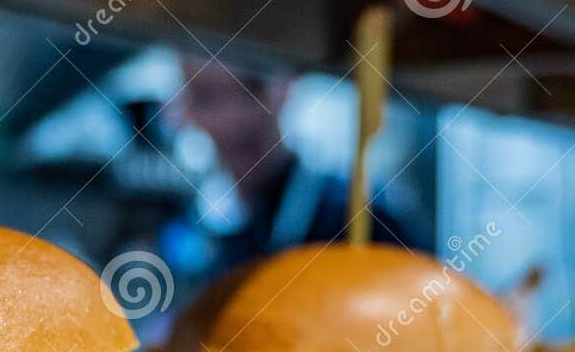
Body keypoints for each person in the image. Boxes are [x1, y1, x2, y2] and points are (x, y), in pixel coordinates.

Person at [158, 58, 429, 298]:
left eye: (253, 88)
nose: (233, 119)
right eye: (206, 96)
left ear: (286, 86)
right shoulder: (203, 225)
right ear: (183, 109)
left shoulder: (358, 213)